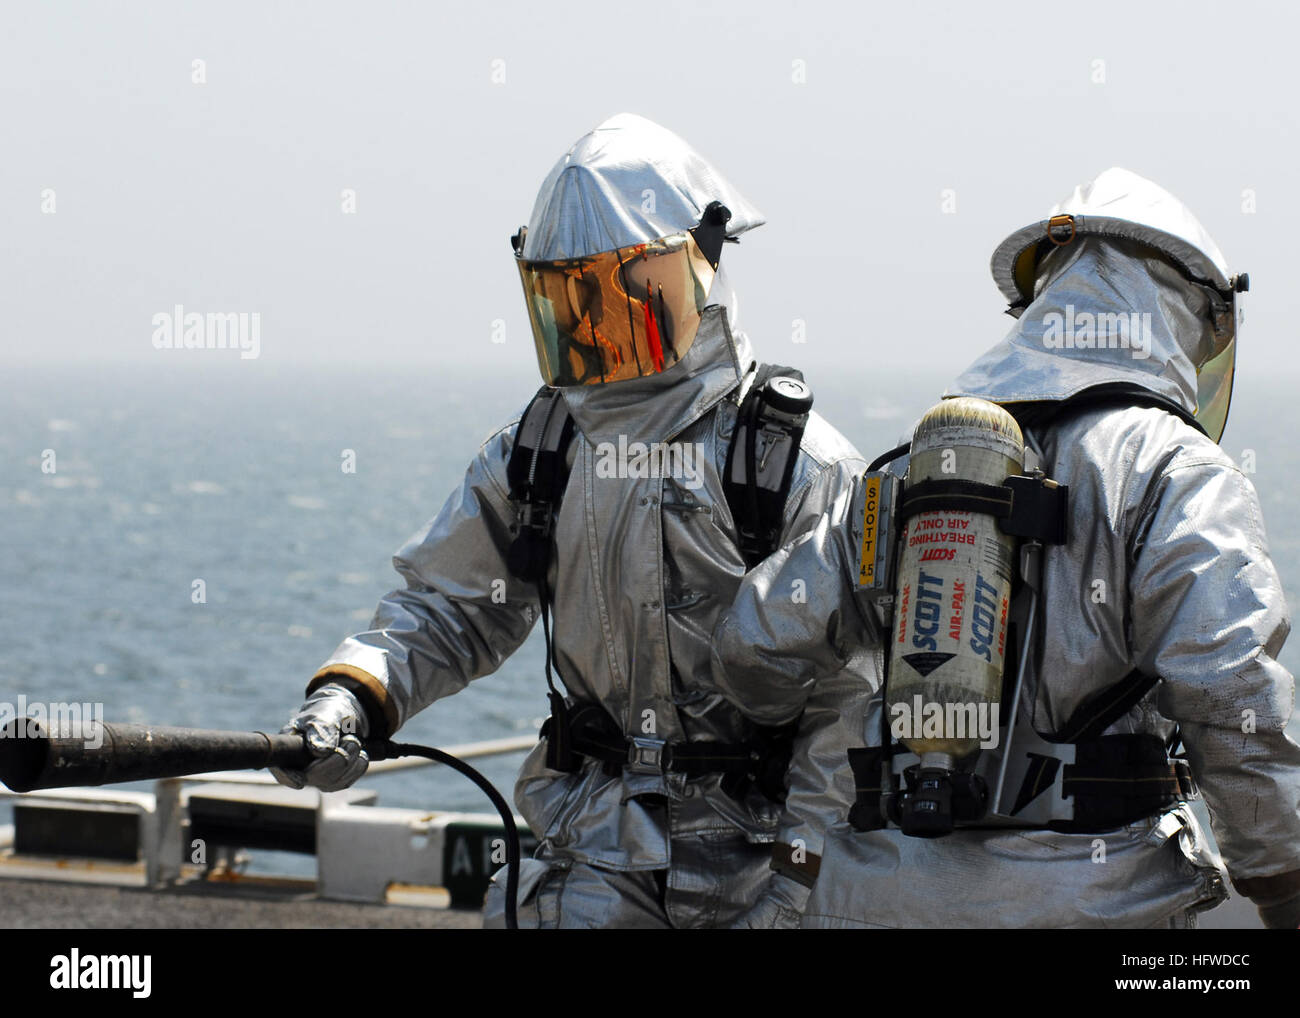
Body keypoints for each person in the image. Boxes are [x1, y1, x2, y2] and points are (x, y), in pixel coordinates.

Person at [270, 113, 870, 928]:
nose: (592, 328)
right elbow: (451, 608)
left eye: (619, 298)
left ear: (700, 265)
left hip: (760, 862)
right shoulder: (539, 453)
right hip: (592, 847)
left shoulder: (799, 466)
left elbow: (851, 700)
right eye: (570, 299)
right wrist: (352, 695)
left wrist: (801, 885)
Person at [710, 167, 1300, 928]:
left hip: (875, 899)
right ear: (1185, 320)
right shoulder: (1176, 472)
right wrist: (1282, 884)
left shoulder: (908, 472)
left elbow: (752, 644)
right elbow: (1231, 698)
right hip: (1093, 906)